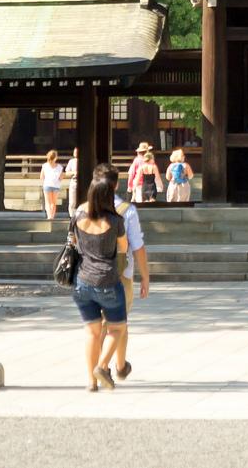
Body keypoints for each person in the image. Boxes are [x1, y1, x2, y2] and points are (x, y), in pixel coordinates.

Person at [69, 170, 130, 392]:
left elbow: (73, 241)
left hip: (82, 280)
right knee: (117, 327)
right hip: (108, 279)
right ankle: (103, 366)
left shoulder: (78, 217)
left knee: (91, 332)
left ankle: (90, 382)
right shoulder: (115, 221)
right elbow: (123, 247)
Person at [91, 162, 150, 383]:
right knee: (117, 323)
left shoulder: (82, 210)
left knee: (100, 326)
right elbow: (136, 246)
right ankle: (103, 365)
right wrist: (145, 275)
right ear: (115, 185)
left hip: (89, 273)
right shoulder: (126, 211)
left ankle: (120, 365)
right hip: (119, 273)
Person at [39, 151, 65, 220]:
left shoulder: (44, 165)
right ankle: (52, 216)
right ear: (55, 158)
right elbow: (61, 177)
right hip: (56, 185)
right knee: (53, 203)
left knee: (48, 202)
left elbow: (41, 176)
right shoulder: (59, 167)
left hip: (47, 184)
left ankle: (49, 216)